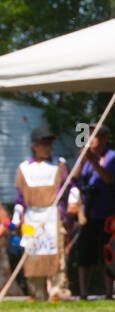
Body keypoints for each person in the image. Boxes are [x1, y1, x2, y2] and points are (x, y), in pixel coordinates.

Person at [12, 125, 69, 300]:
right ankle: (36, 292)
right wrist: (16, 218)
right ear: (34, 146)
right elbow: (20, 198)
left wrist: (74, 206)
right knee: (32, 253)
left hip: (53, 217)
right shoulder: (23, 168)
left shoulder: (59, 165)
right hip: (30, 219)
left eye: (50, 144)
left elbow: (70, 188)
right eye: (44, 144)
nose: (48, 148)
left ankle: (58, 291)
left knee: (57, 253)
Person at [71, 126, 115, 299]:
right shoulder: (85, 157)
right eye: (91, 136)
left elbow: (109, 178)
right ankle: (83, 293)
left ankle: (109, 292)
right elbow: (74, 178)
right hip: (88, 213)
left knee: (106, 253)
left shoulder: (111, 156)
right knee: (84, 254)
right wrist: (82, 158)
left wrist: (93, 160)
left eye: (97, 136)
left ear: (104, 138)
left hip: (107, 213)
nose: (93, 140)